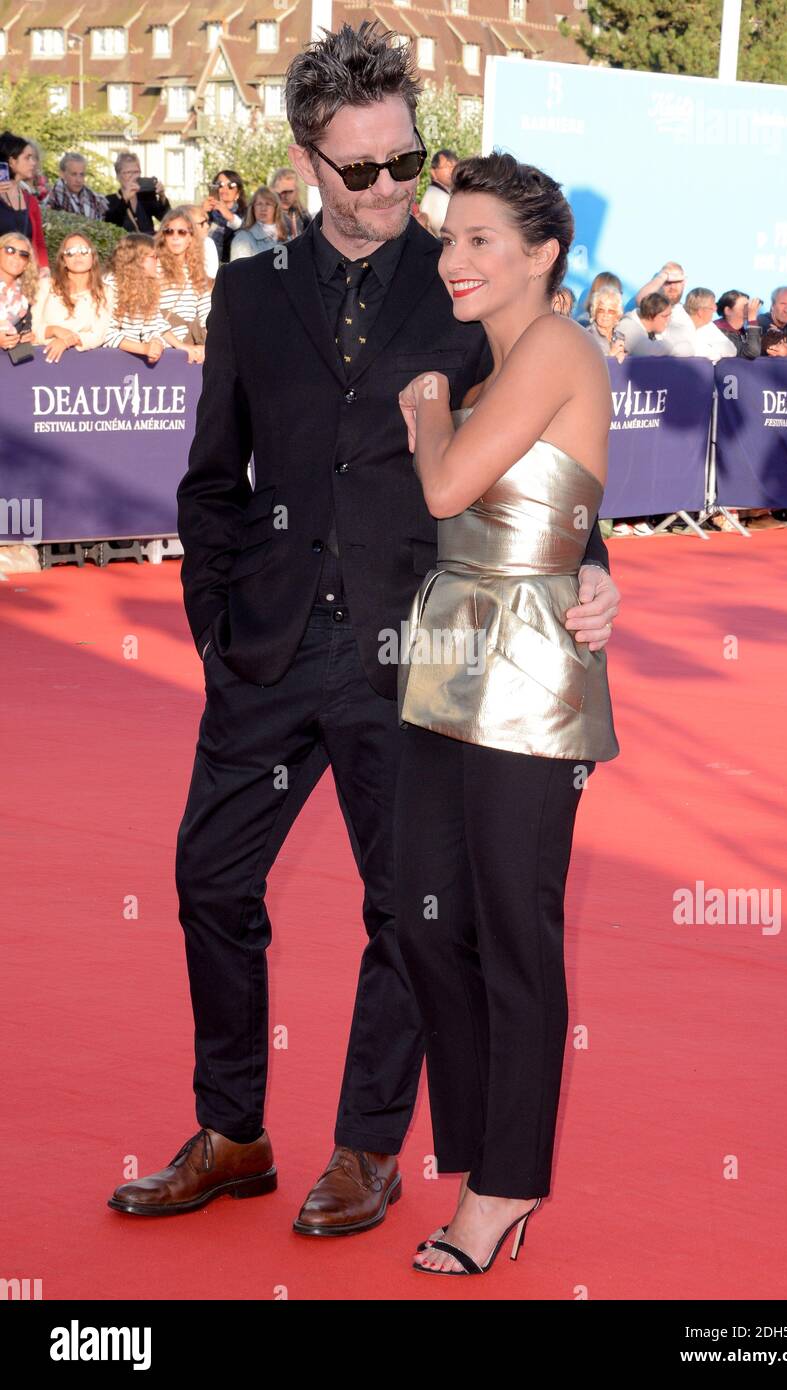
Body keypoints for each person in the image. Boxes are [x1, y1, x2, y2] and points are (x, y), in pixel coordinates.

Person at [106, 19, 620, 1236]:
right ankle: (233, 1127)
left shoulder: (463, 283)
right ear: (303, 164)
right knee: (209, 879)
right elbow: (209, 478)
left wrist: (591, 567)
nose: (392, 189)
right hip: (271, 649)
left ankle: (367, 1145)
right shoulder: (247, 291)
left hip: (424, 650)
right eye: (361, 169)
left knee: (411, 908)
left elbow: (546, 442)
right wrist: (216, 628)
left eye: (407, 161)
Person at [394, 152, 619, 1277]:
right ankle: (486, 1150)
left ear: (544, 255)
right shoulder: (482, 361)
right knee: (426, 914)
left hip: (529, 671)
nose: (456, 259)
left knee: (516, 930)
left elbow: (446, 489)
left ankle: (505, 1182)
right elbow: (558, 500)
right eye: (450, 239)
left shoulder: (556, 347)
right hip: (444, 657)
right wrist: (602, 563)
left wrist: (429, 414)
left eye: (483, 239)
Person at [31, 232, 112, 361]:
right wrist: (54, 330)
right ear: (63, 260)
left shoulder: (105, 292)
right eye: (70, 252)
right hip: (42, 360)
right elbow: (32, 329)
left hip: (84, 365)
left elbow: (99, 334)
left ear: (93, 257)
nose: (78, 255)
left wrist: (66, 342)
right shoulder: (45, 286)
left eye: (84, 250)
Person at [154, 207, 212, 363]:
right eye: (169, 232)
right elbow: (149, 314)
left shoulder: (197, 271)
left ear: (191, 238)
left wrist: (209, 346)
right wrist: (179, 345)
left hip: (191, 348)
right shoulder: (154, 268)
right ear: (163, 236)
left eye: (182, 232)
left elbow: (207, 316)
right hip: (161, 348)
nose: (175, 237)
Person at [103, 234, 169, 361]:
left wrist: (156, 342)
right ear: (137, 259)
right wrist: (144, 349)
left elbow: (151, 327)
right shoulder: (110, 286)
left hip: (135, 360)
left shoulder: (149, 287)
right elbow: (106, 333)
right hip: (109, 362)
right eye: (154, 257)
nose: (158, 262)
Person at [0, 132, 49, 270]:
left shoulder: (31, 201)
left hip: (23, 278)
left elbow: (39, 244)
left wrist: (44, 271)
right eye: (27, 158)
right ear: (12, 161)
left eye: (33, 158)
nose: (33, 163)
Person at [634, 260, 694, 353]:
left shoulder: (684, 314)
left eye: (677, 282)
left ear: (684, 282)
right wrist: (663, 276)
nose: (673, 287)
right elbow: (641, 300)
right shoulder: (651, 306)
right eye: (668, 282)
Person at [103, 152, 170, 235]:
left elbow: (167, 219)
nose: (134, 176)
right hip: (125, 246)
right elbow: (111, 226)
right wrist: (124, 200)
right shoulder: (109, 200)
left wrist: (162, 196)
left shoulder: (146, 195)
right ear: (118, 176)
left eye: (136, 172)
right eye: (128, 172)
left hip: (148, 245)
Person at [0, 231, 38, 350]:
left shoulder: (27, 294)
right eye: (10, 250)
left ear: (27, 263)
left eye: (23, 254)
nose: (17, 257)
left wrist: (29, 336)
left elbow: (26, 328)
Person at [229, 186, 289, 259]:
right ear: (253, 208)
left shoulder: (286, 238)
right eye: (259, 204)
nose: (263, 208)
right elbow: (238, 269)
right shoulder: (242, 238)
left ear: (276, 208)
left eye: (268, 204)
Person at [46, 152, 109, 220]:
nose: (78, 180)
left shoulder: (96, 200)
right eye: (74, 174)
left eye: (81, 174)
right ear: (62, 174)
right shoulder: (52, 198)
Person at [614, 291, 679, 356]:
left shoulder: (655, 329)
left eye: (670, 315)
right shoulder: (628, 327)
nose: (669, 320)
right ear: (650, 316)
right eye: (665, 316)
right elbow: (651, 351)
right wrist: (677, 343)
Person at [204, 170, 246, 262]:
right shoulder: (206, 211)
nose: (225, 189)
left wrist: (229, 216)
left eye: (231, 185)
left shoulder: (245, 212)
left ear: (238, 193)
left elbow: (244, 229)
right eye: (220, 184)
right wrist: (201, 213)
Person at [684, 287, 735, 363]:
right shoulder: (680, 324)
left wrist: (710, 351)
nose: (715, 309)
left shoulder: (709, 326)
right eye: (712, 307)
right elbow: (685, 350)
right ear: (700, 311)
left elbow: (731, 350)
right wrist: (714, 353)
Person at [419, 147, 457, 236]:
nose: (452, 170)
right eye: (447, 166)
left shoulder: (443, 193)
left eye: (454, 166)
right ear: (433, 172)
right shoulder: (436, 195)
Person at [714, 290, 762, 358]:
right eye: (745, 306)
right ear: (728, 311)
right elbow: (752, 352)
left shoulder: (743, 332)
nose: (749, 309)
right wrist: (752, 319)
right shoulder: (717, 332)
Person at [583, 285, 626, 361]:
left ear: (617, 315)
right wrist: (610, 356)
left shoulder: (620, 337)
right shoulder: (587, 336)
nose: (605, 315)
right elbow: (588, 364)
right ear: (595, 312)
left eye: (611, 311)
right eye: (601, 310)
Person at [269, 166, 312, 239]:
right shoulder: (266, 216)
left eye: (290, 191)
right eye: (282, 191)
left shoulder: (303, 216)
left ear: (296, 191)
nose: (285, 196)